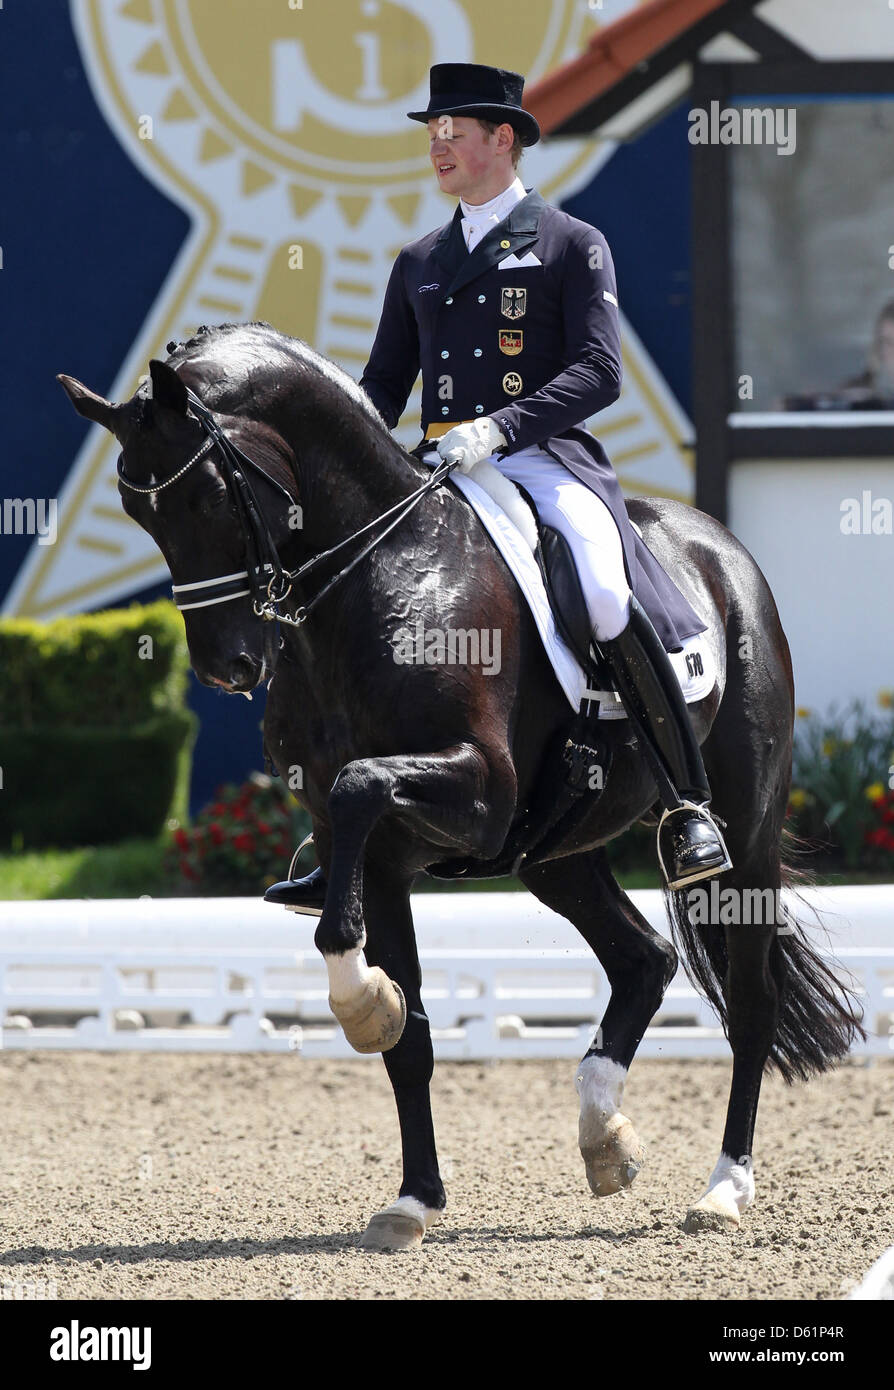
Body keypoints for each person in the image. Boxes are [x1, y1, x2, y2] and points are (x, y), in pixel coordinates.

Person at [267, 63, 731, 913]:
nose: (438, 145)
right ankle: (332, 829)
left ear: (503, 138)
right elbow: (381, 391)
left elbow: (599, 370)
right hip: (442, 467)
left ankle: (686, 803)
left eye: (454, 131)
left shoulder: (568, 242)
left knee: (599, 580)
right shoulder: (419, 263)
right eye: (431, 132)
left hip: (543, 460)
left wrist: (503, 428)